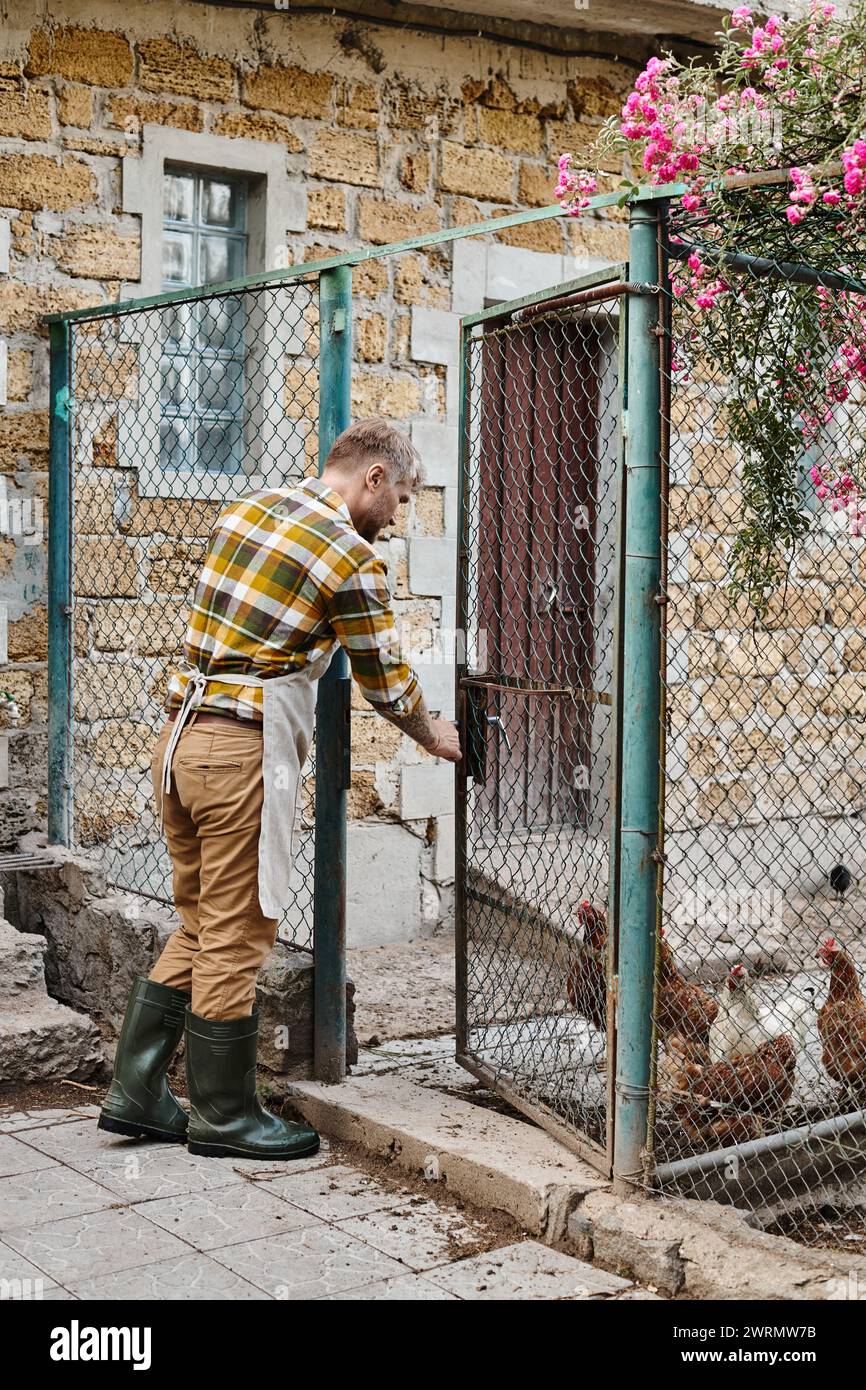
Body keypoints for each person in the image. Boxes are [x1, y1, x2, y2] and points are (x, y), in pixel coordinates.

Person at [98, 418, 461, 1161]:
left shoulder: (247, 508)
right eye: (402, 496)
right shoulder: (349, 557)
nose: (397, 517)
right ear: (374, 477)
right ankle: (225, 1116)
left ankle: (136, 1093)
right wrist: (433, 734)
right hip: (242, 753)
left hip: (182, 740)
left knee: (201, 920)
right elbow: (384, 677)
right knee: (241, 928)